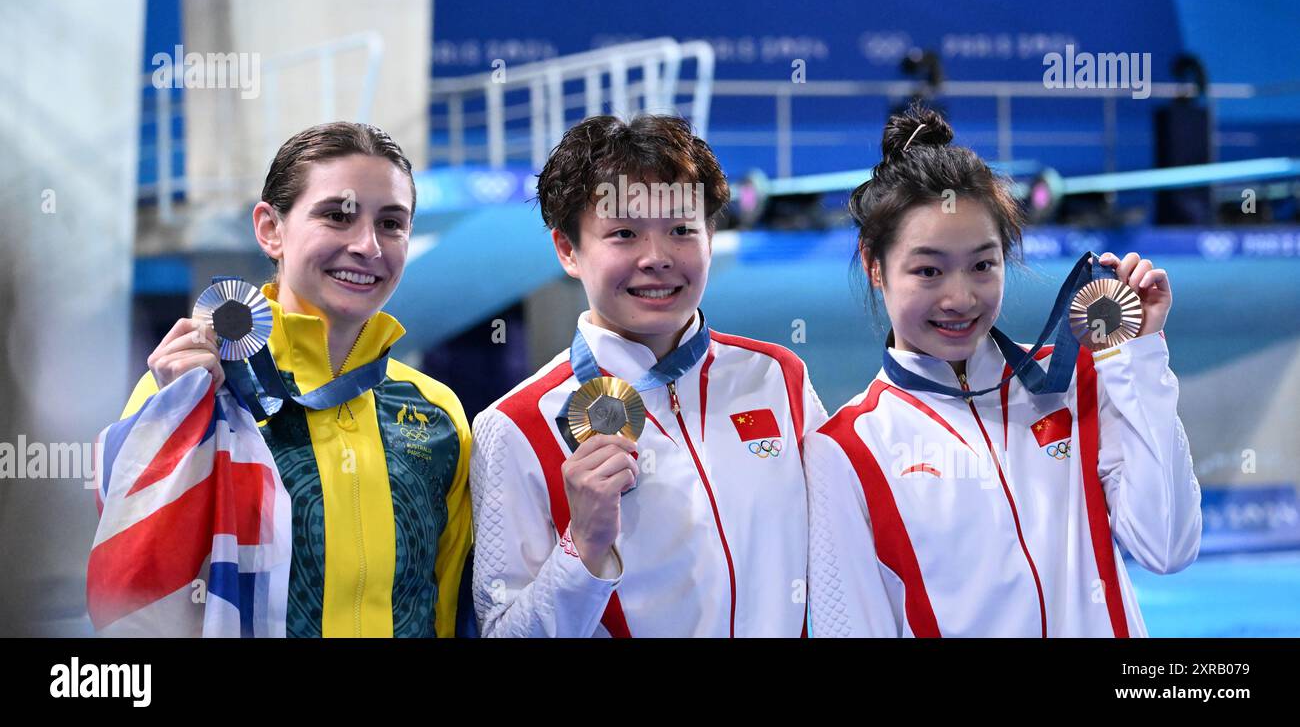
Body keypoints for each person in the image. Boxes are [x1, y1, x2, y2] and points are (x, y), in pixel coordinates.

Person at [806, 103, 1201, 637]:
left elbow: (1169, 546)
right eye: (928, 270)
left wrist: (1141, 355)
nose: (960, 297)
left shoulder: (1071, 381)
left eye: (982, 265)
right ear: (875, 265)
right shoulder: (848, 448)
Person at [470, 114, 827, 637]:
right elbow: (503, 632)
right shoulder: (515, 426)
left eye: (682, 230)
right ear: (568, 250)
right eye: (624, 233)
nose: (656, 258)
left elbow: (844, 558)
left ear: (710, 236)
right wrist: (584, 548)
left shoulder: (777, 378)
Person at [119, 122, 472, 637]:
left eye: (391, 224)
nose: (368, 246)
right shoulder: (193, 387)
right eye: (337, 216)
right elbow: (135, 596)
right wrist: (172, 424)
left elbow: (447, 605)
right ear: (270, 229)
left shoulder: (436, 411)